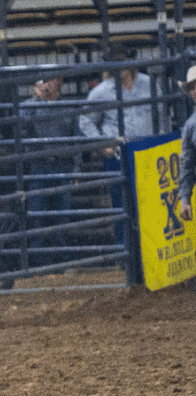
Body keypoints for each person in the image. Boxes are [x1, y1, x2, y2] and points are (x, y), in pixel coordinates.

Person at [78, 44, 155, 245]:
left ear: (131, 63)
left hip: (147, 150)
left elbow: (161, 115)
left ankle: (146, 250)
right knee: (123, 205)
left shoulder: (149, 84)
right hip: (119, 154)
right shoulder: (101, 92)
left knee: (149, 203)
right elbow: (85, 120)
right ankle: (126, 250)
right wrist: (102, 142)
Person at [18, 75, 76, 263]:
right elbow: (20, 125)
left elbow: (75, 140)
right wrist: (35, 99)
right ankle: (37, 261)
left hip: (62, 165)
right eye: (45, 81)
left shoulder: (68, 107)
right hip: (39, 165)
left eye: (53, 80)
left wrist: (75, 168)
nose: (49, 85)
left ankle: (63, 259)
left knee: (63, 216)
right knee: (36, 215)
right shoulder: (30, 105)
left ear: (59, 83)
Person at [176, 65, 196, 222]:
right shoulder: (191, 125)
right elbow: (187, 164)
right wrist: (185, 200)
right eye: (191, 87)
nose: (195, 90)